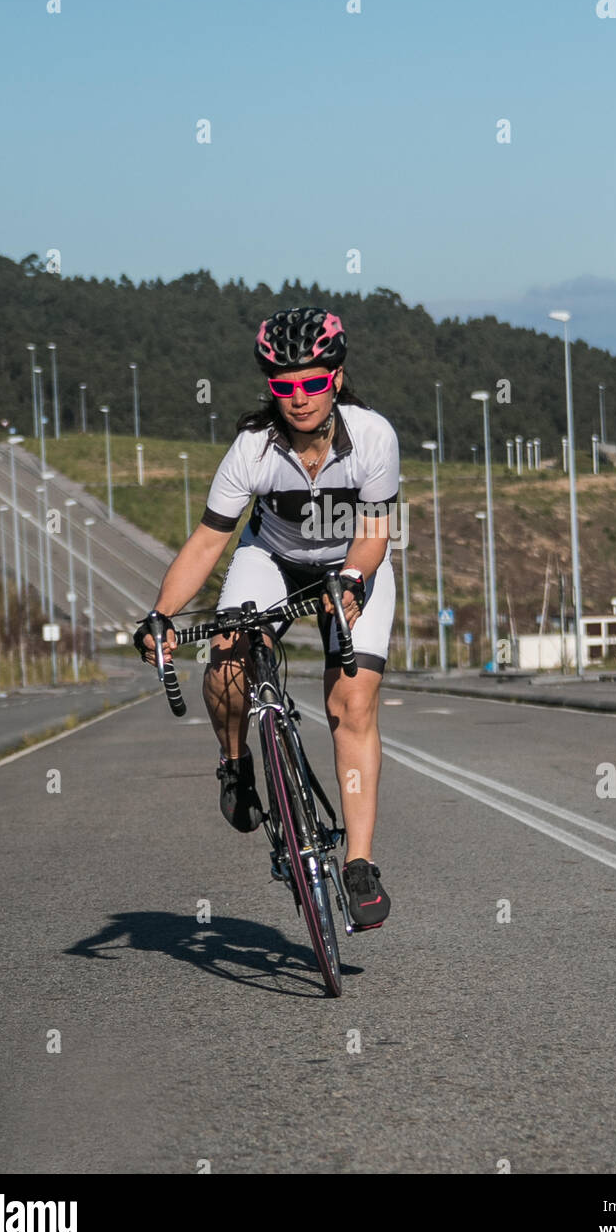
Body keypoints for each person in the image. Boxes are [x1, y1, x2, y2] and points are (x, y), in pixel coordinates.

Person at [135, 306, 399, 929]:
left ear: (335, 377)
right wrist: (160, 614)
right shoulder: (252, 448)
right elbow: (207, 542)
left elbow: (375, 534)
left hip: (353, 563)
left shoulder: (373, 437)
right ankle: (236, 763)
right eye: (284, 385)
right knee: (226, 665)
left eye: (312, 381)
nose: (299, 397)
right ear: (270, 388)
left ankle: (359, 865)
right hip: (271, 559)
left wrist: (354, 580)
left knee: (352, 701)